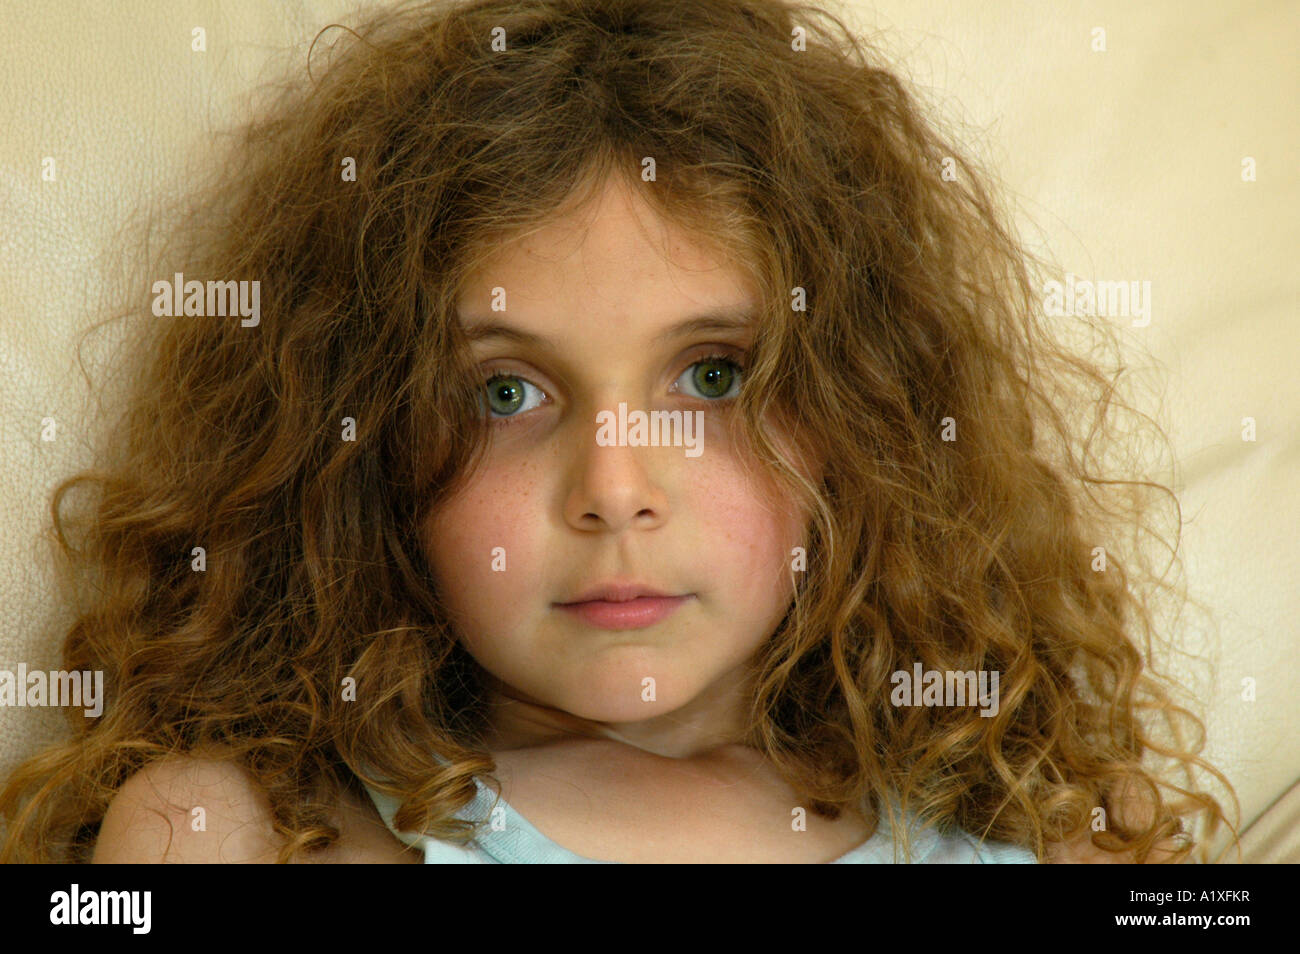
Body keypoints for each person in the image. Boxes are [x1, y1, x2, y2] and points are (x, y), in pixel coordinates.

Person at [0, 0, 1237, 863]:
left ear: (868, 428)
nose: (614, 488)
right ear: (359, 459)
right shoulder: (235, 833)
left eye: (711, 378)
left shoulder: (1065, 829)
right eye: (504, 393)